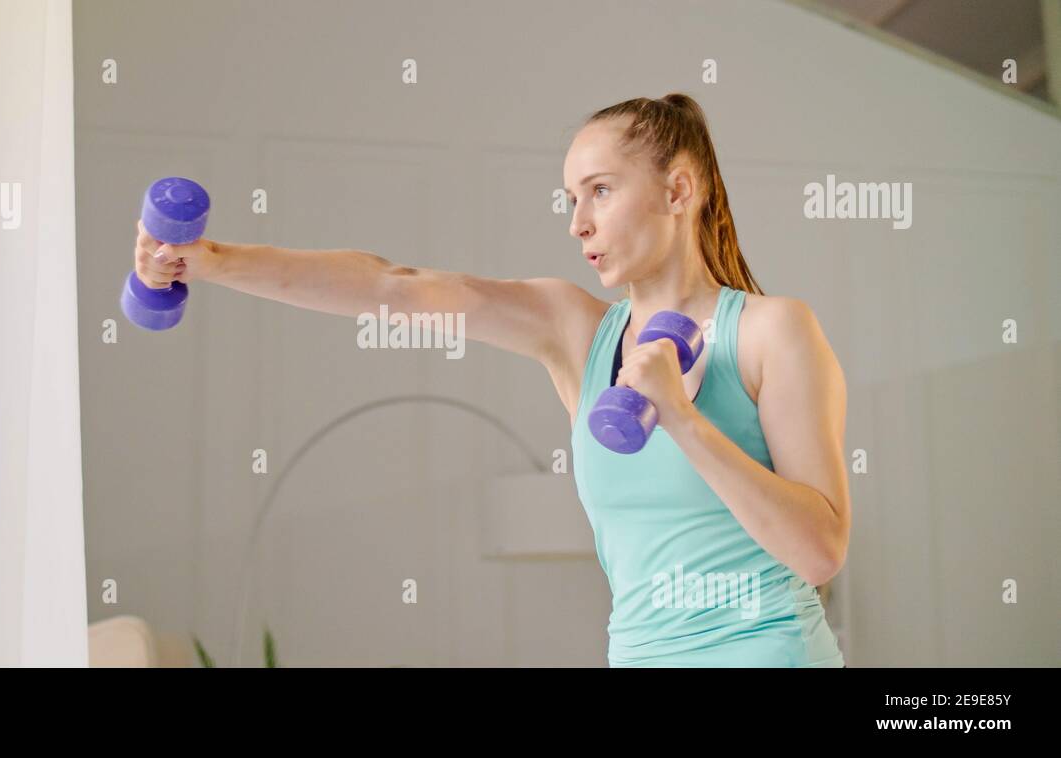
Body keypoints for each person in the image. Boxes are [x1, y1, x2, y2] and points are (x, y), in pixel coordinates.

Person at [132, 93, 849, 667]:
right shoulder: (576, 332)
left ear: (678, 189)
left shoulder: (770, 331)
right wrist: (208, 259)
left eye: (600, 191)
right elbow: (394, 289)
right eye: (571, 198)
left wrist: (686, 423)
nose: (578, 223)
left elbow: (821, 551)